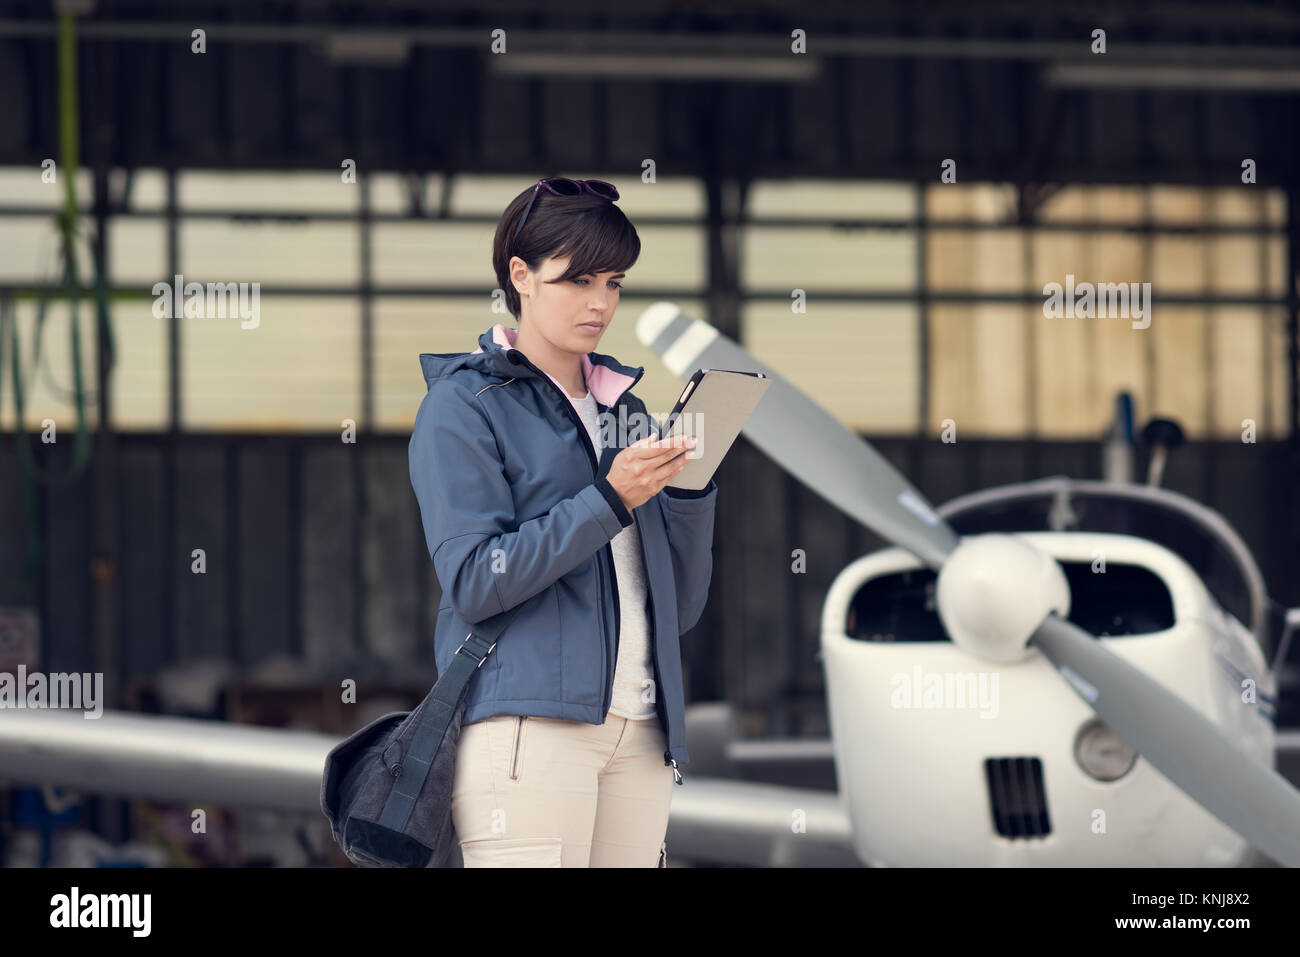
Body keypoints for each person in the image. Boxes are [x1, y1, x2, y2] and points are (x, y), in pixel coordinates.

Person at [408, 177, 718, 867]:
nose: (601, 302)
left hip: (643, 730)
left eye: (614, 281)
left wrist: (692, 493)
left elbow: (683, 607)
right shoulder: (465, 406)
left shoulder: (628, 413)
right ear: (519, 275)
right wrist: (609, 498)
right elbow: (476, 580)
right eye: (578, 280)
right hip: (530, 727)